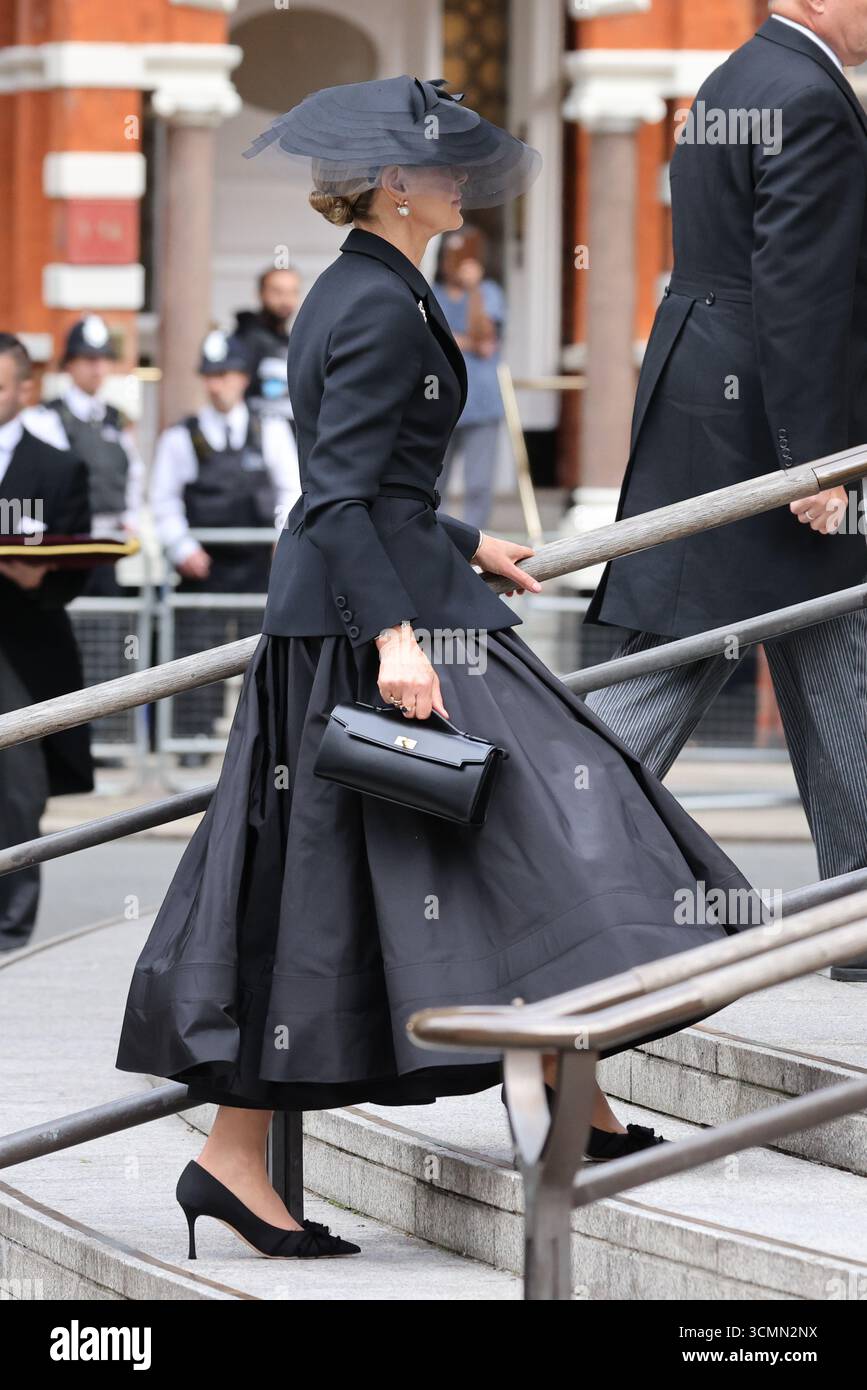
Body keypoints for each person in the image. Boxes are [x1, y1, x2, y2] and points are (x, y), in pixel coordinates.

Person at [115, 75, 762, 1262]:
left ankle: (281, 1149)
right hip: (378, 635)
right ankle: (246, 1154)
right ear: (393, 186)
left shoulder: (368, 290)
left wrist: (469, 543)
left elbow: (373, 486)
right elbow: (338, 496)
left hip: (387, 609)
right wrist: (397, 639)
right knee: (532, 840)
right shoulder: (371, 304)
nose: (463, 180)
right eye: (444, 166)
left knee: (370, 883)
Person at [584, 2, 867, 979]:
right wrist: (817, 461)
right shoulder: (810, 96)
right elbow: (804, 289)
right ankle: (530, 864)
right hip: (768, 431)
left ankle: (859, 912)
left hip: (713, 404)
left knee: (834, 640)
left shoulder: (730, 79)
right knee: (674, 659)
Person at [150, 329, 300, 754]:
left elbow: (291, 490)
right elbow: (163, 502)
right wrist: (183, 548)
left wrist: (278, 537)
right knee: (198, 658)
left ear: (243, 377)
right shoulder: (182, 436)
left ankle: (269, 742)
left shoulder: (268, 429)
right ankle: (191, 742)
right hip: (206, 570)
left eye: (229, 374)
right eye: (212, 375)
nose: (221, 384)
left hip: (259, 567)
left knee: (267, 656)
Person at [0, 334, 93, 950]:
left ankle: (10, 928)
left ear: (25, 388)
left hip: (21, 646)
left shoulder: (59, 468)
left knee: (16, 787)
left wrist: (38, 580)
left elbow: (80, 566)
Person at [23, 314, 145, 597]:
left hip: (106, 547)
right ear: (70, 364)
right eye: (89, 359)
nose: (98, 368)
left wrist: (130, 518)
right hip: (62, 550)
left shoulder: (115, 419)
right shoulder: (45, 419)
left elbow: (133, 476)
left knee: (108, 630)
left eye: (104, 359)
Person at [432, 229, 506, 532]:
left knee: (478, 485)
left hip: (482, 403)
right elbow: (432, 340)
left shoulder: (488, 292)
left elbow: (485, 339)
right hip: (438, 403)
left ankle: (474, 549)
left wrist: (473, 290)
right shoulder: (431, 293)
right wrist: (465, 343)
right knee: (435, 483)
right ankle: (436, 541)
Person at [233, 266, 301, 426]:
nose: (285, 300)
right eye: (277, 292)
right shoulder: (246, 339)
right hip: (259, 437)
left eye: (292, 292)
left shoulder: (292, 341)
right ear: (261, 293)